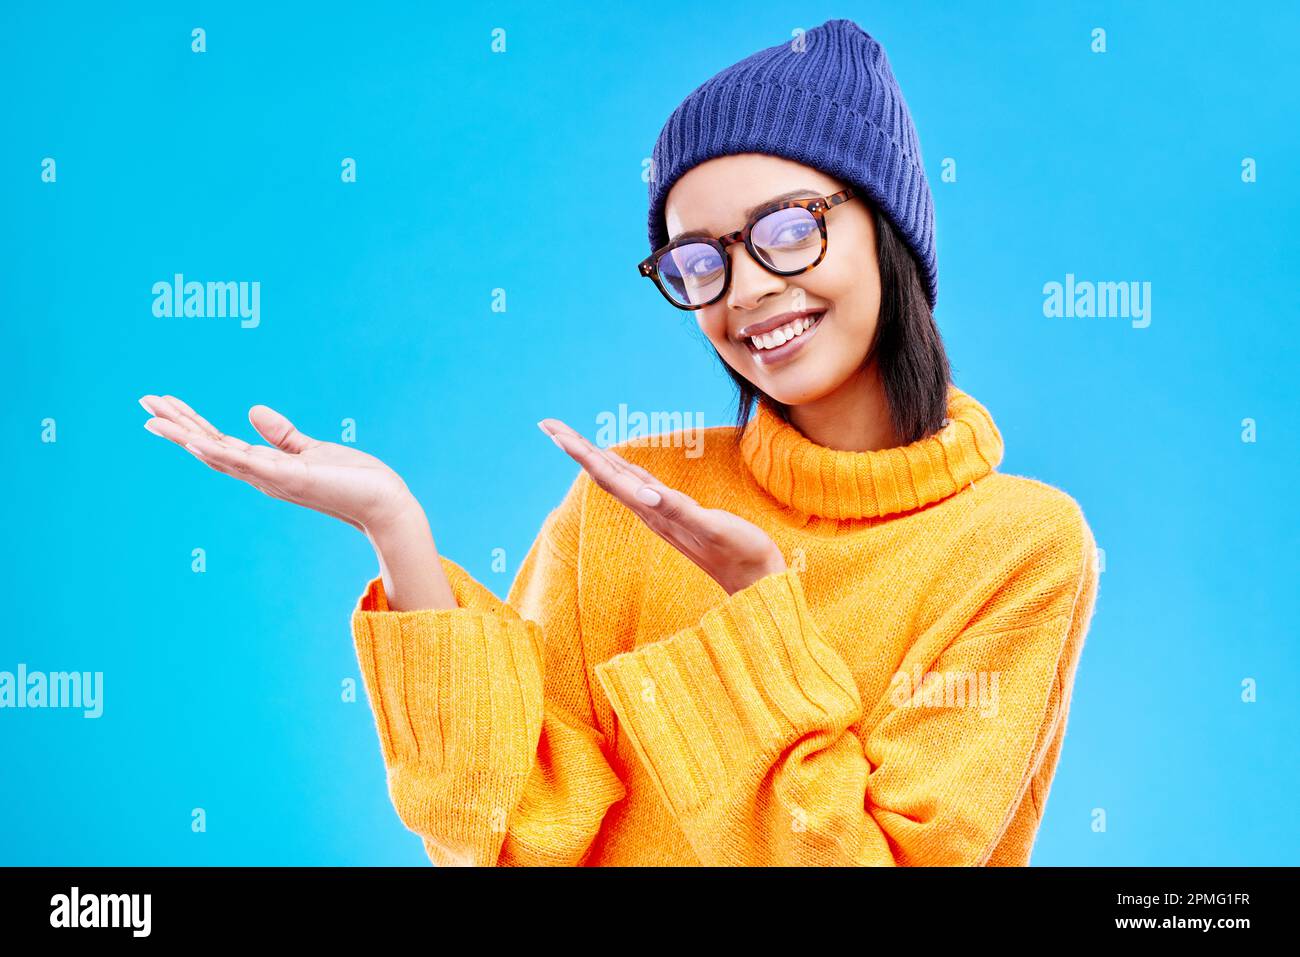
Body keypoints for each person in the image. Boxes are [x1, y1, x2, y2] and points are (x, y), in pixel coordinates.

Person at [139, 17, 1100, 866]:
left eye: (785, 230)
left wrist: (759, 612)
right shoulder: (633, 496)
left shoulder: (1023, 546)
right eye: (700, 260)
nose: (748, 288)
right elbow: (506, 834)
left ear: (887, 226)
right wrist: (397, 532)